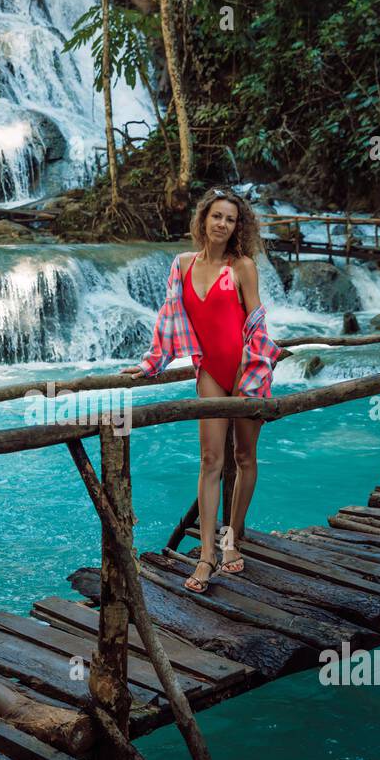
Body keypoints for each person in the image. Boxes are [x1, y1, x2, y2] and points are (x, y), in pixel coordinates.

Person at [121, 188, 279, 592]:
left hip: (247, 372)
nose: (222, 223)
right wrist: (150, 364)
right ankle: (207, 554)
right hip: (209, 370)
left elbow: (257, 324)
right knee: (210, 459)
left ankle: (232, 541)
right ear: (203, 221)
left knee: (244, 456)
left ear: (236, 226)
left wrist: (254, 374)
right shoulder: (182, 265)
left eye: (230, 218)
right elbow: (170, 318)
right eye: (216, 216)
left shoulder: (242, 266)